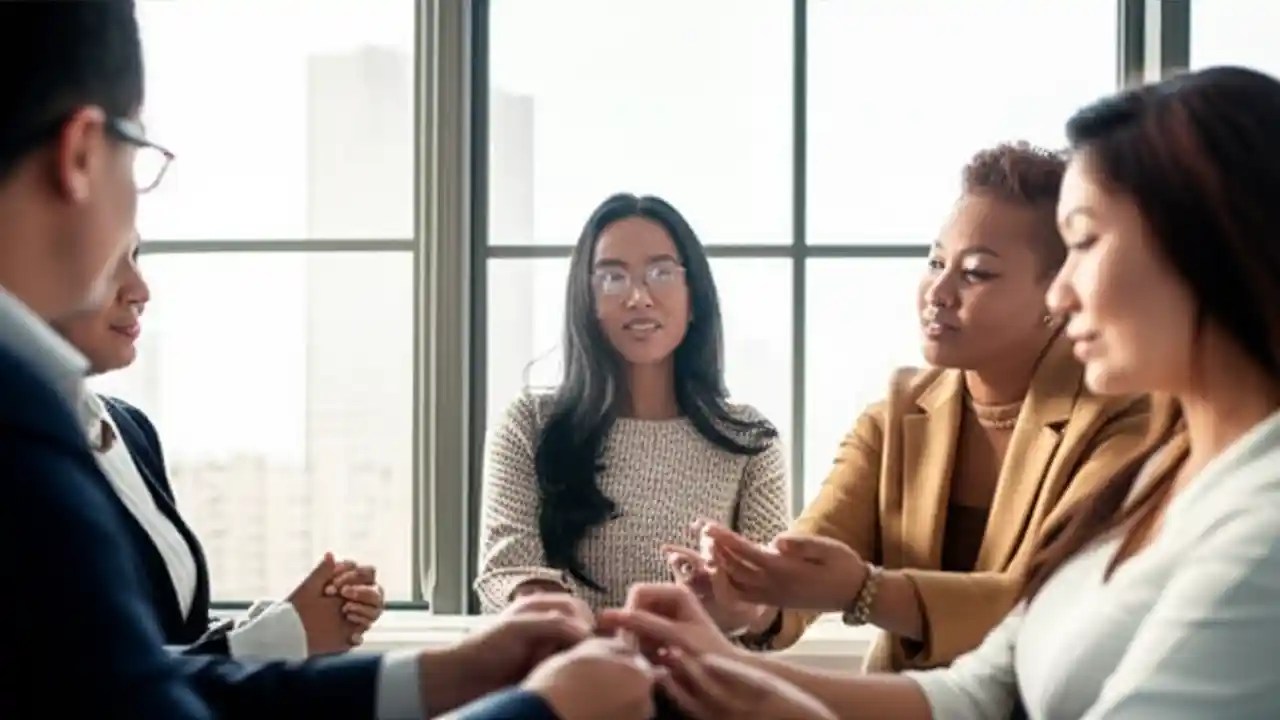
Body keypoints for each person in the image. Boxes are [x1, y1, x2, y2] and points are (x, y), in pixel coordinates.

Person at [0, 3, 657, 718]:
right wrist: (542, 711)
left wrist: (449, 672)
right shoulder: (20, 416)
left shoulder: (48, 405)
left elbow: (119, 682)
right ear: (82, 155)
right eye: (139, 156)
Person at [607, 65, 1280, 719]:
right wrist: (725, 643)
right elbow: (980, 690)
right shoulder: (1158, 478)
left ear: (1203, 248)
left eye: (1086, 242)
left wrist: (865, 593)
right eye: (935, 263)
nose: (1064, 290)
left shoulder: (1253, 521)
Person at [680, 142, 1151, 671]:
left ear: (1059, 293)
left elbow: (1048, 610)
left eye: (975, 273)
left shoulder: (1122, 418)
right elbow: (812, 551)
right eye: (935, 263)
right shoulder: (896, 416)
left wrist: (867, 591)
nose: (938, 291)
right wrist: (749, 599)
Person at [51, 233, 386, 659]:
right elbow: (87, 686)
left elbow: (170, 638)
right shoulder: (22, 450)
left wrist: (290, 620)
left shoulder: (130, 429)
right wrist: (283, 637)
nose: (140, 290)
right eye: (108, 260)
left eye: (135, 257)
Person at [476, 192, 789, 613]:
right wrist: (561, 618)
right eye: (613, 277)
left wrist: (728, 605)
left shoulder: (750, 440)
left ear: (693, 297)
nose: (638, 297)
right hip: (563, 667)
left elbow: (769, 603)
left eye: (660, 273)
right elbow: (506, 569)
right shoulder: (529, 425)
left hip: (698, 672)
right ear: (585, 301)